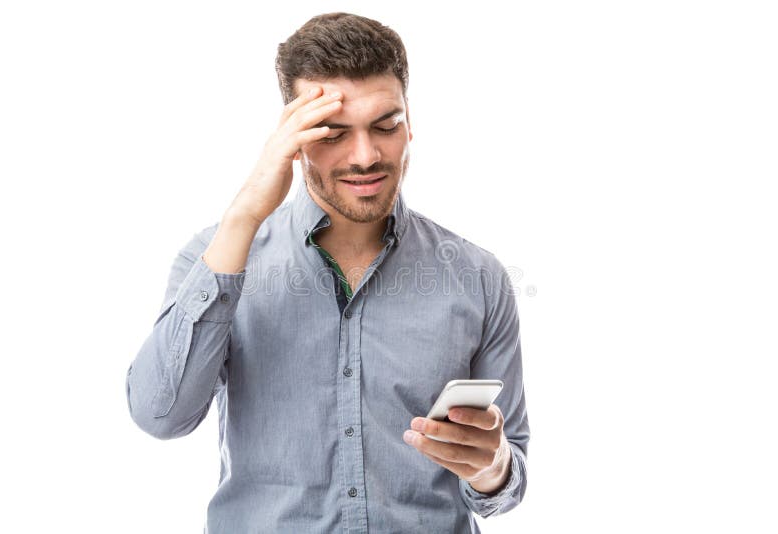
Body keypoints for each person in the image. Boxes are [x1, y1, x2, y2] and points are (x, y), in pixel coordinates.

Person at [125, 11, 529, 533]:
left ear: (410, 122)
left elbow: (508, 479)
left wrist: (491, 467)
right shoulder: (216, 257)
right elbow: (160, 416)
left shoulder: (478, 277)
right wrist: (245, 213)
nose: (366, 155)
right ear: (291, 138)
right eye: (333, 133)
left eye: (386, 126)